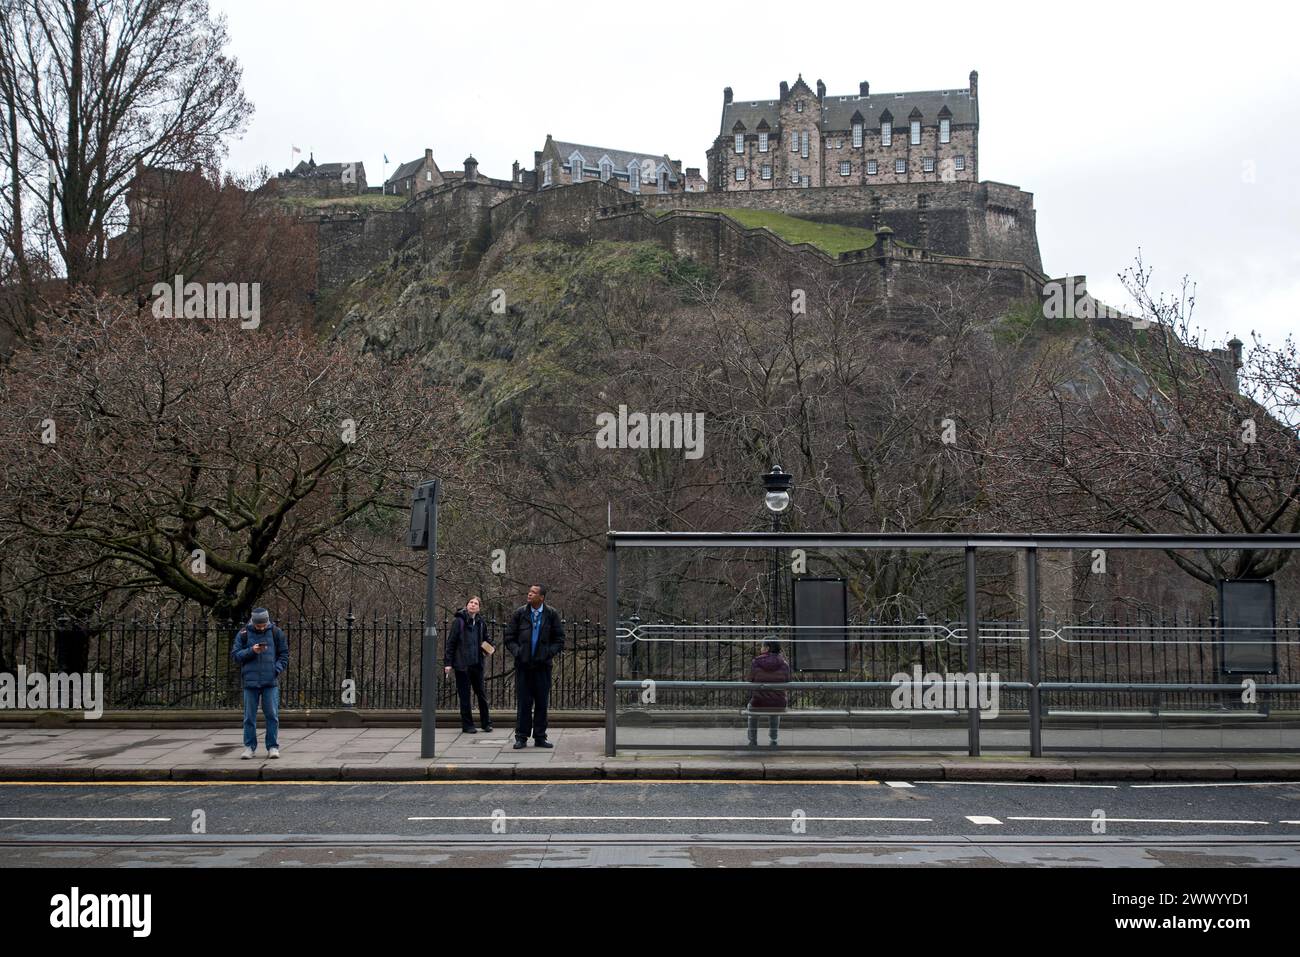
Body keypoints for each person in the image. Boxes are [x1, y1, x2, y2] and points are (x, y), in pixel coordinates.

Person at [504, 584, 564, 749]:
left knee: (542, 702)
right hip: (523, 665)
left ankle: (540, 736)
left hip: (543, 666)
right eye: (529, 592)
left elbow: (559, 639)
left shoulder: (551, 614)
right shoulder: (520, 613)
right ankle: (521, 737)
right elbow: (509, 637)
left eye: (534, 592)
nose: (529, 594)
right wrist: (518, 652)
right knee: (524, 702)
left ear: (542, 597)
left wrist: (548, 653)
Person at [231, 608, 289, 759]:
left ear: (267, 621)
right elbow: (236, 656)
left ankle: (273, 747)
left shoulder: (276, 633)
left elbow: (284, 655)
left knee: (272, 715)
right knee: (249, 717)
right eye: (259, 625)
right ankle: (249, 747)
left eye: (264, 624)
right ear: (253, 622)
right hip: (250, 682)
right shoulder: (243, 634)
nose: (262, 627)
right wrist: (252, 651)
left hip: (270, 681)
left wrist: (276, 670)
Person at [444, 596, 494, 733]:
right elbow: (451, 643)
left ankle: (486, 723)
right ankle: (468, 725)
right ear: (467, 605)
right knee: (465, 696)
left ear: (479, 608)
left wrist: (490, 647)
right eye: (471, 603)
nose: (473, 605)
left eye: (476, 603)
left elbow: (487, 639)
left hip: (477, 664)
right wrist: (448, 663)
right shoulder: (459, 622)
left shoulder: (481, 622)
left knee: (481, 694)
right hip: (462, 665)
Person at [747, 638, 791, 748]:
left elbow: (750, 679)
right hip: (778, 703)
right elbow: (787, 681)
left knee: (751, 712)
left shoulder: (756, 662)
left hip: (759, 702)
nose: (760, 648)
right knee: (775, 711)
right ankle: (773, 740)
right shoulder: (784, 664)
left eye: (762, 646)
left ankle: (753, 741)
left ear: (767, 648)